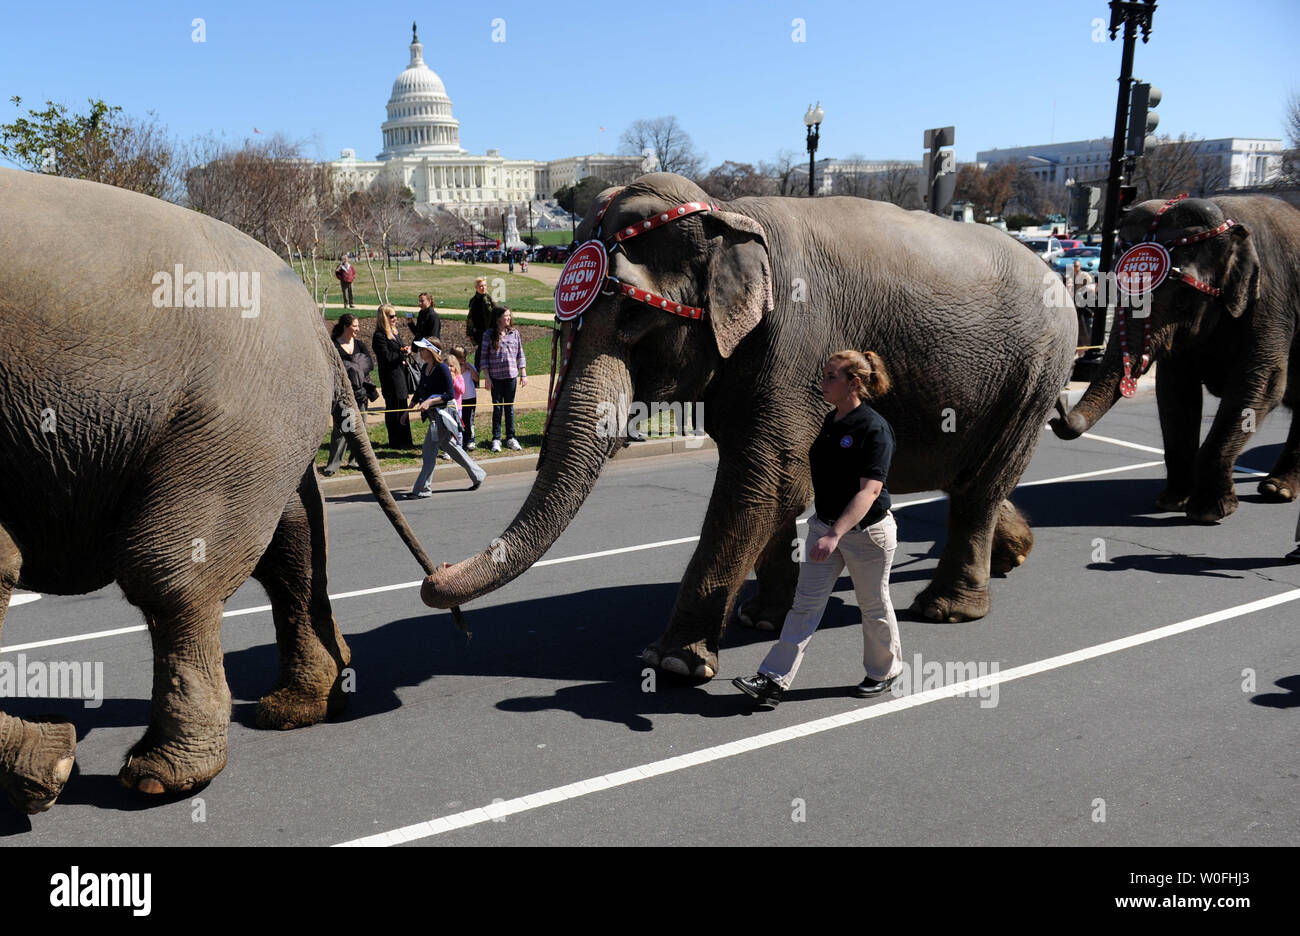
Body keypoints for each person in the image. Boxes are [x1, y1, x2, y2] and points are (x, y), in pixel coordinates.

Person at [733, 350, 903, 707]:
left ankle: (884, 672)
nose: (822, 382)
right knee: (804, 605)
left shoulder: (873, 428)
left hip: (866, 534)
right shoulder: (833, 420)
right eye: (824, 375)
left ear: (854, 383)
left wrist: (835, 533)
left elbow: (870, 491)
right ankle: (773, 680)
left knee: (873, 605)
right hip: (826, 528)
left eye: (831, 377)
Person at [404, 338, 486, 496]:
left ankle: (423, 489)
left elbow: (449, 395)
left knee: (428, 449)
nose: (420, 352)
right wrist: (407, 411)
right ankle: (478, 474)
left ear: (431, 351)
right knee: (450, 447)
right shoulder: (425, 368)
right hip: (434, 415)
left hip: (444, 416)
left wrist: (430, 401)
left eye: (423, 349)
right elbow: (420, 390)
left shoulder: (442, 368)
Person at [321, 314, 375, 476]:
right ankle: (333, 464)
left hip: (360, 393)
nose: (358, 329)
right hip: (343, 394)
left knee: (361, 428)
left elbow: (369, 364)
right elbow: (333, 367)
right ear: (346, 327)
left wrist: (352, 368)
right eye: (355, 326)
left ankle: (355, 460)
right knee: (341, 429)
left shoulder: (359, 345)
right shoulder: (334, 346)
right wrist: (355, 367)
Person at [480, 306, 528, 452]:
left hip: (511, 376)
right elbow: (484, 358)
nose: (508, 318)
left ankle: (511, 437)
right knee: (497, 408)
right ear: (497, 318)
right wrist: (487, 378)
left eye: (509, 315)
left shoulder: (514, 333)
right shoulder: (488, 334)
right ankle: (496, 439)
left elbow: (520, 354)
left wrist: (523, 373)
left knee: (509, 407)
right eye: (505, 316)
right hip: (495, 378)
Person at [371, 304, 413, 449]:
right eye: (391, 316)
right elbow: (386, 357)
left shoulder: (394, 333)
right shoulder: (379, 336)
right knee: (393, 408)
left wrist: (405, 349)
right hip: (390, 378)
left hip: (400, 375)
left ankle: (406, 440)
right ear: (384, 318)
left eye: (395, 316)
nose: (395, 319)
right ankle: (395, 441)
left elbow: (398, 350)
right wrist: (402, 353)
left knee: (403, 407)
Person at [451, 345, 479, 450]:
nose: (464, 359)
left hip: (470, 397)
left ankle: (470, 439)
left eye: (464, 357)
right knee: (459, 420)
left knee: (469, 420)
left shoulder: (469, 366)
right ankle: (459, 440)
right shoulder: (453, 369)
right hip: (458, 399)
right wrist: (461, 370)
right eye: (461, 357)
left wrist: (470, 368)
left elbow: (476, 379)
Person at [1068, 259, 1096, 358]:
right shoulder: (1070, 278)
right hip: (1075, 311)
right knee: (1078, 336)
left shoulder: (1084, 277)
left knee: (1085, 337)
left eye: (1077, 266)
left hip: (1084, 312)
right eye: (1074, 266)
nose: (1075, 268)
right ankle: (1076, 355)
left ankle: (1082, 355)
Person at [465, 277, 496, 368]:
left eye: (485, 285)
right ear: (476, 287)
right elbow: (470, 317)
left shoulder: (489, 299)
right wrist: (469, 332)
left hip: (489, 331)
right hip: (478, 331)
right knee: (480, 356)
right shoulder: (473, 300)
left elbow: (495, 314)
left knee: (483, 355)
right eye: (481, 286)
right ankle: (476, 377)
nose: (483, 288)